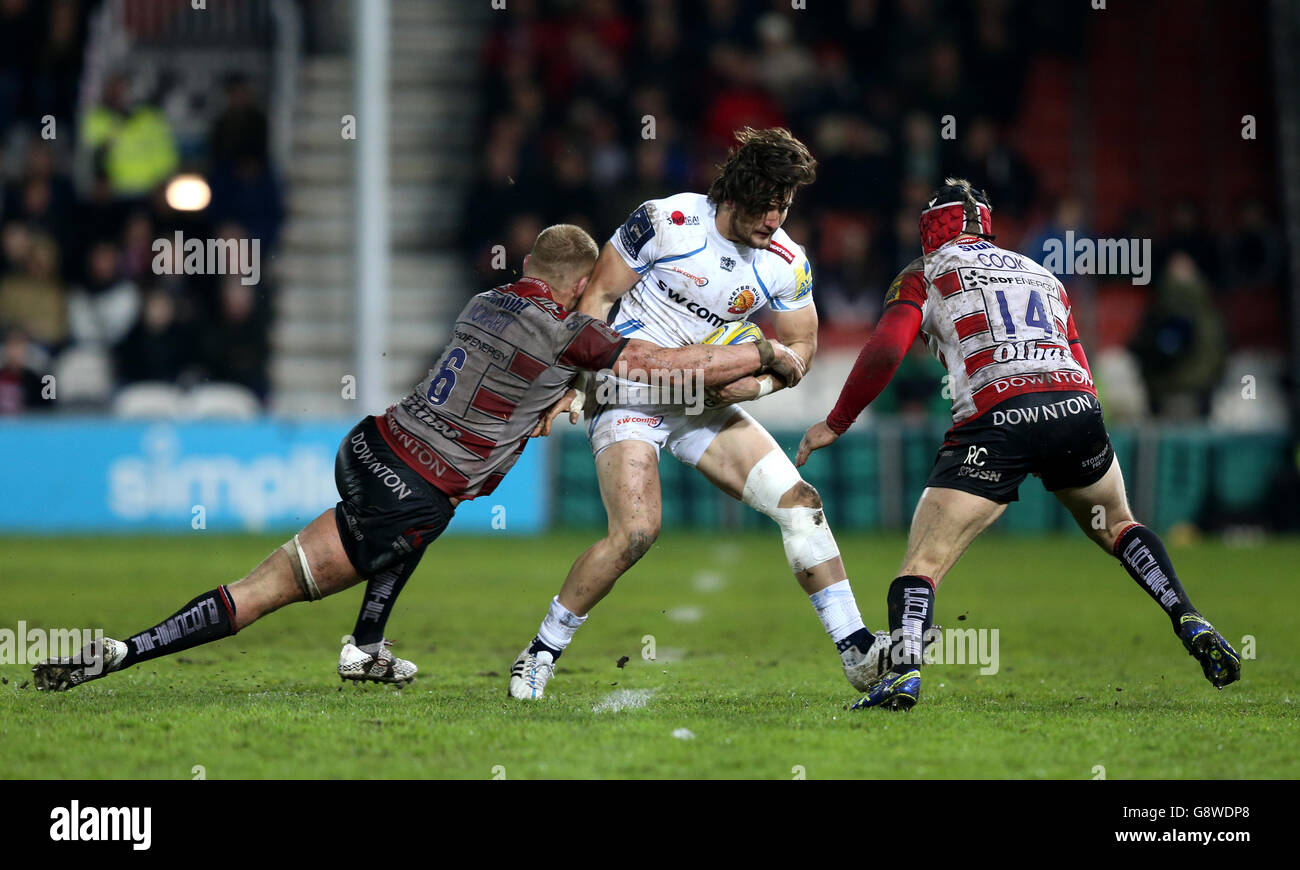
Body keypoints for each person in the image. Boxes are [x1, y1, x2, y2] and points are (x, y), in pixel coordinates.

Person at [33, 224, 804, 691]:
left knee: (298, 571)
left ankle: (152, 650)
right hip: (411, 486)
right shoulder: (571, 331)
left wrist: (549, 402)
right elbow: (660, 368)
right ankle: (345, 646)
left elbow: (516, 381)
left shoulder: (485, 301)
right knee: (402, 528)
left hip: (367, 447)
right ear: (576, 286)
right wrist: (762, 353)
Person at [795, 179, 1241, 711]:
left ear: (928, 229)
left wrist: (837, 421)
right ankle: (1187, 614)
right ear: (986, 222)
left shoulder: (925, 273)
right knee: (1120, 524)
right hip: (1075, 408)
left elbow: (886, 348)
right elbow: (1078, 356)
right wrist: (1077, 419)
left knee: (922, 563)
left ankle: (905, 673)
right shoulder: (1041, 273)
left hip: (996, 419)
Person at [508, 128, 887, 701]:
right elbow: (598, 301)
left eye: (785, 205)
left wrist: (753, 388)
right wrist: (573, 384)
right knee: (636, 533)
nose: (775, 219)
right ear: (734, 193)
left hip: (698, 400)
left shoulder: (786, 261)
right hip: (628, 389)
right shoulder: (665, 221)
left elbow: (801, 348)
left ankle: (857, 652)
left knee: (801, 505)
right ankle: (539, 654)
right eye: (766, 203)